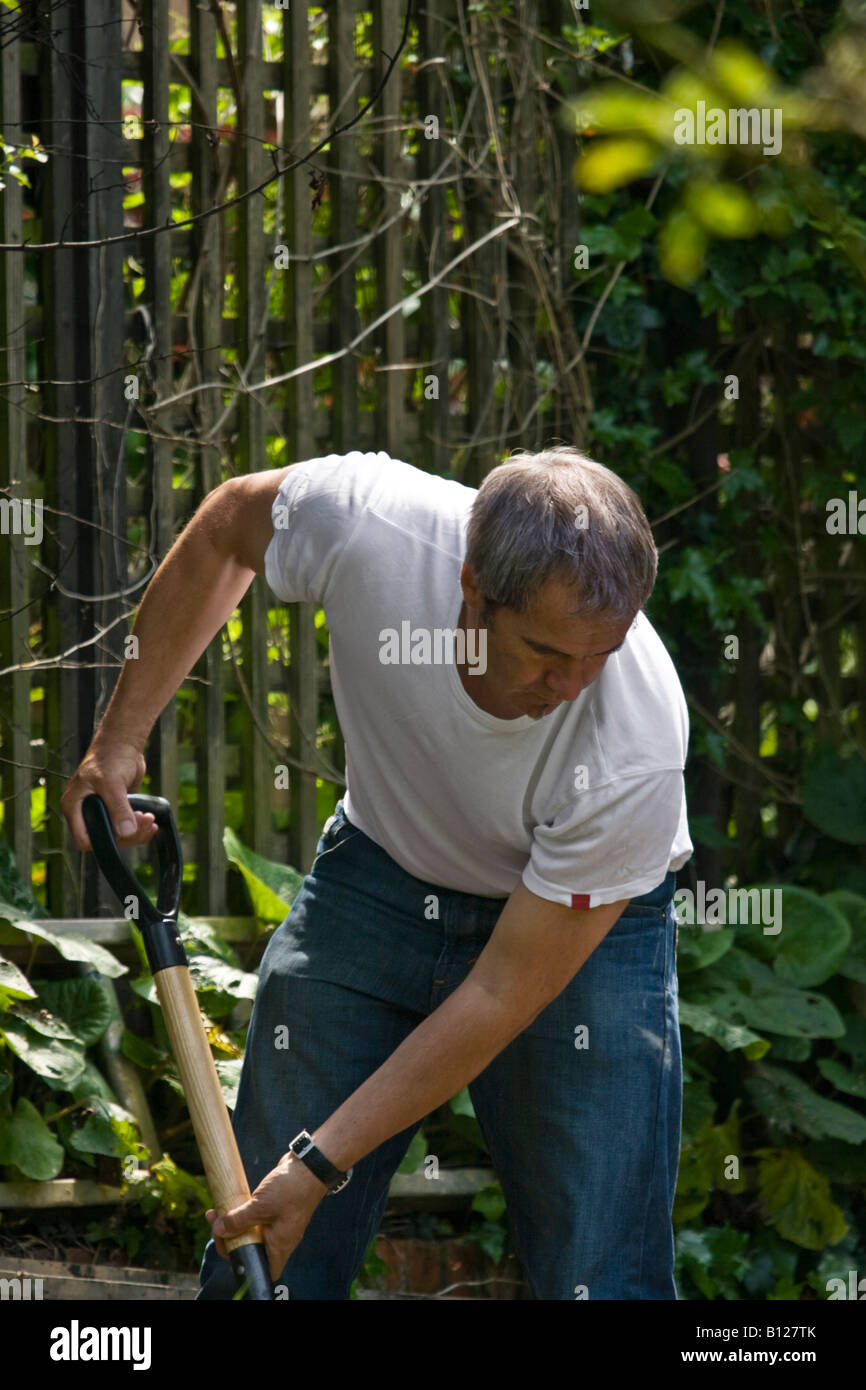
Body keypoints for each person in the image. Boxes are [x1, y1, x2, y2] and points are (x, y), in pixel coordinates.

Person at [61, 446, 692, 1301]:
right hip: (381, 879)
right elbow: (225, 531)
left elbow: (503, 991)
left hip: (573, 938)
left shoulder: (637, 740)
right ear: (472, 587)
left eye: (602, 652)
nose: (575, 685)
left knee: (600, 1266)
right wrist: (118, 740)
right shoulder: (369, 522)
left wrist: (320, 1161)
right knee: (268, 1246)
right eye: (547, 652)